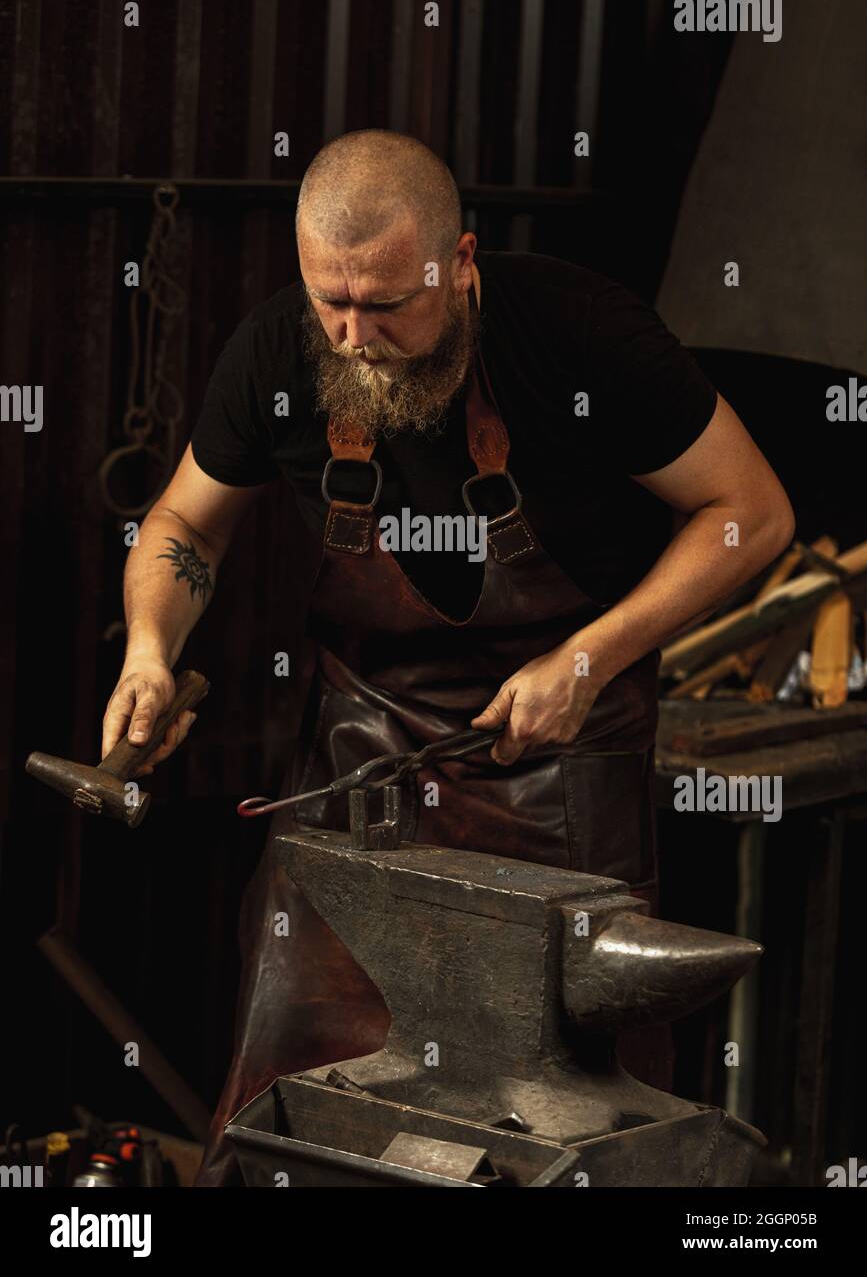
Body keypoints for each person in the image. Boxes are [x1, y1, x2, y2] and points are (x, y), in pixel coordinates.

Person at [101, 130, 795, 1185]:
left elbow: (750, 511)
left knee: (560, 1137)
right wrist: (151, 651)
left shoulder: (580, 336)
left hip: (563, 780)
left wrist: (590, 658)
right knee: (298, 1116)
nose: (353, 333)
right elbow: (183, 528)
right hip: (359, 776)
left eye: (386, 305)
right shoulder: (283, 354)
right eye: (329, 300)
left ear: (459, 260)